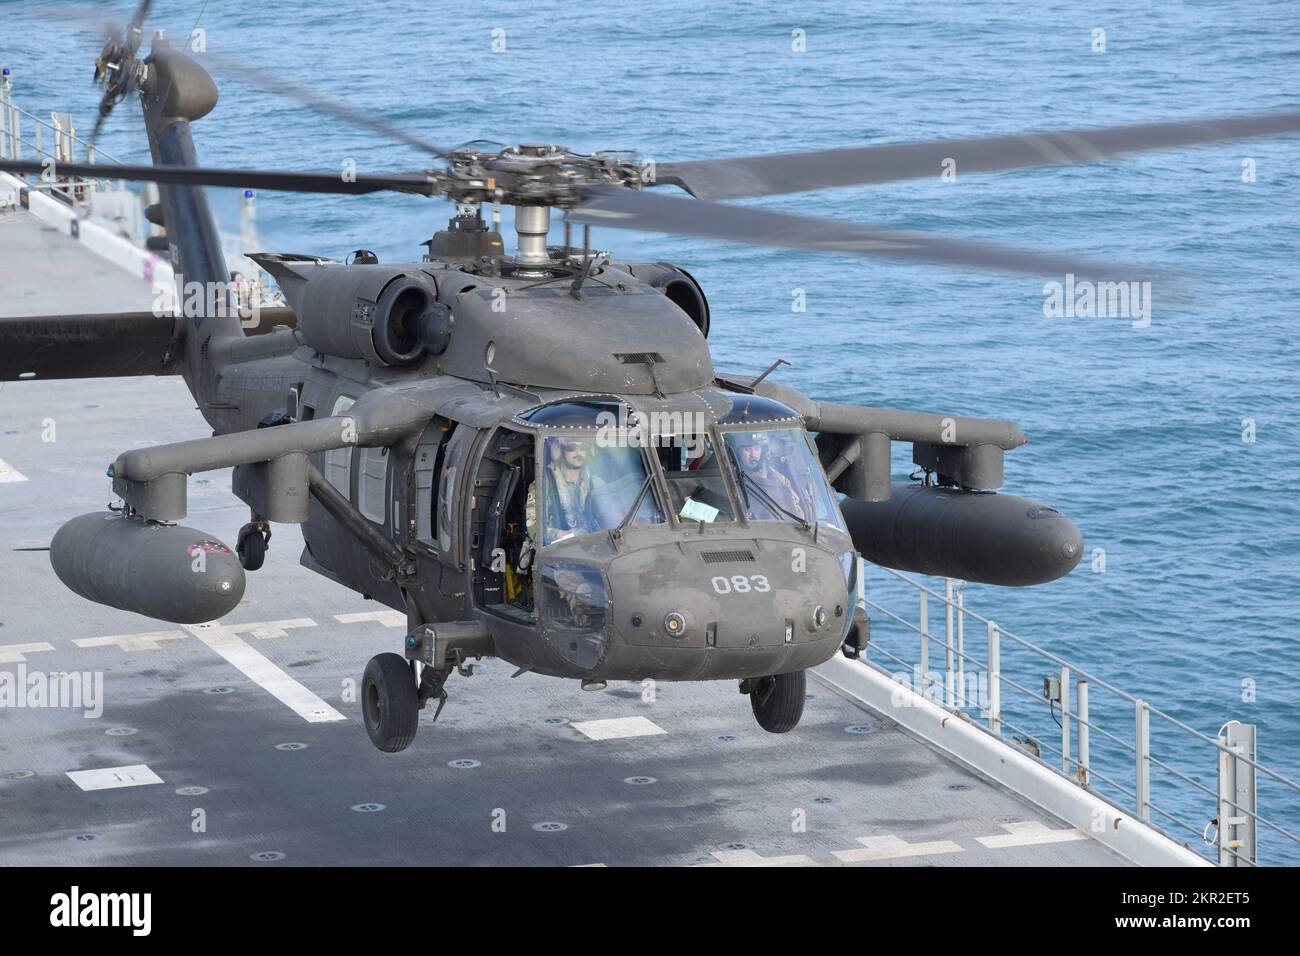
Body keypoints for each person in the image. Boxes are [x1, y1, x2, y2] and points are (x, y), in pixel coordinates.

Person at [525, 437, 603, 544]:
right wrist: (563, 535)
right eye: (571, 447)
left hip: (594, 546)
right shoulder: (543, 484)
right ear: (559, 450)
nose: (578, 452)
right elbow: (534, 528)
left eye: (583, 447)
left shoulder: (596, 482)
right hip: (558, 551)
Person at [731, 432, 806, 521]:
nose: (753, 455)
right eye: (747, 449)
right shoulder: (730, 475)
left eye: (756, 449)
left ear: (762, 450)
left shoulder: (775, 475)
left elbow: (798, 514)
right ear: (738, 452)